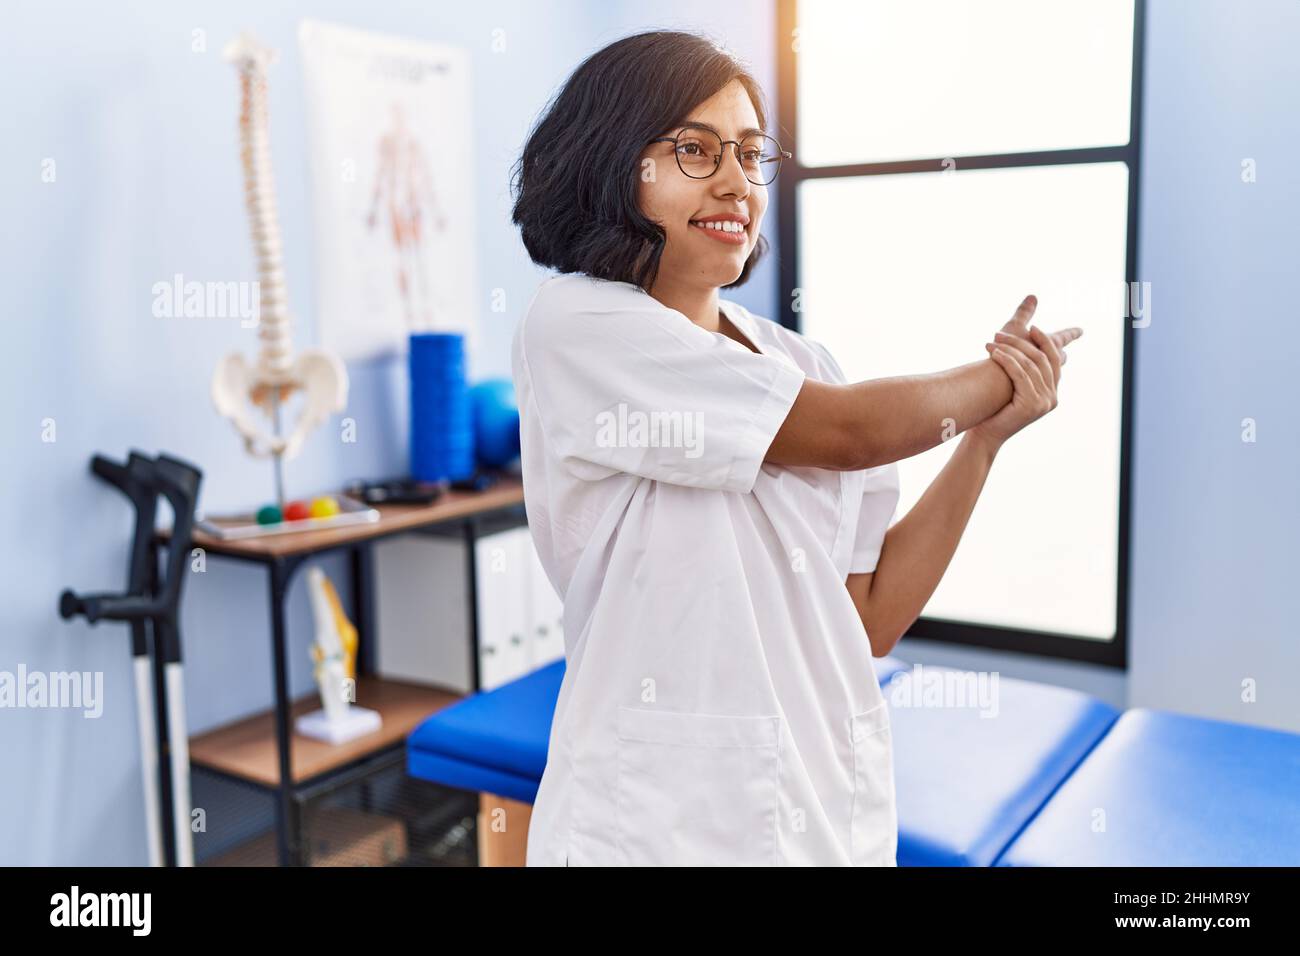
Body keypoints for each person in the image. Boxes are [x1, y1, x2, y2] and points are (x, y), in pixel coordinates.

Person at [508, 30, 1080, 866]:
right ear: (609, 162)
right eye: (696, 151)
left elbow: (871, 616)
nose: (738, 182)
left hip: (823, 816)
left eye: (748, 154)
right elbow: (852, 432)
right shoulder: (577, 326)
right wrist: (999, 378)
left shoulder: (800, 365)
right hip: (656, 828)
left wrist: (983, 443)